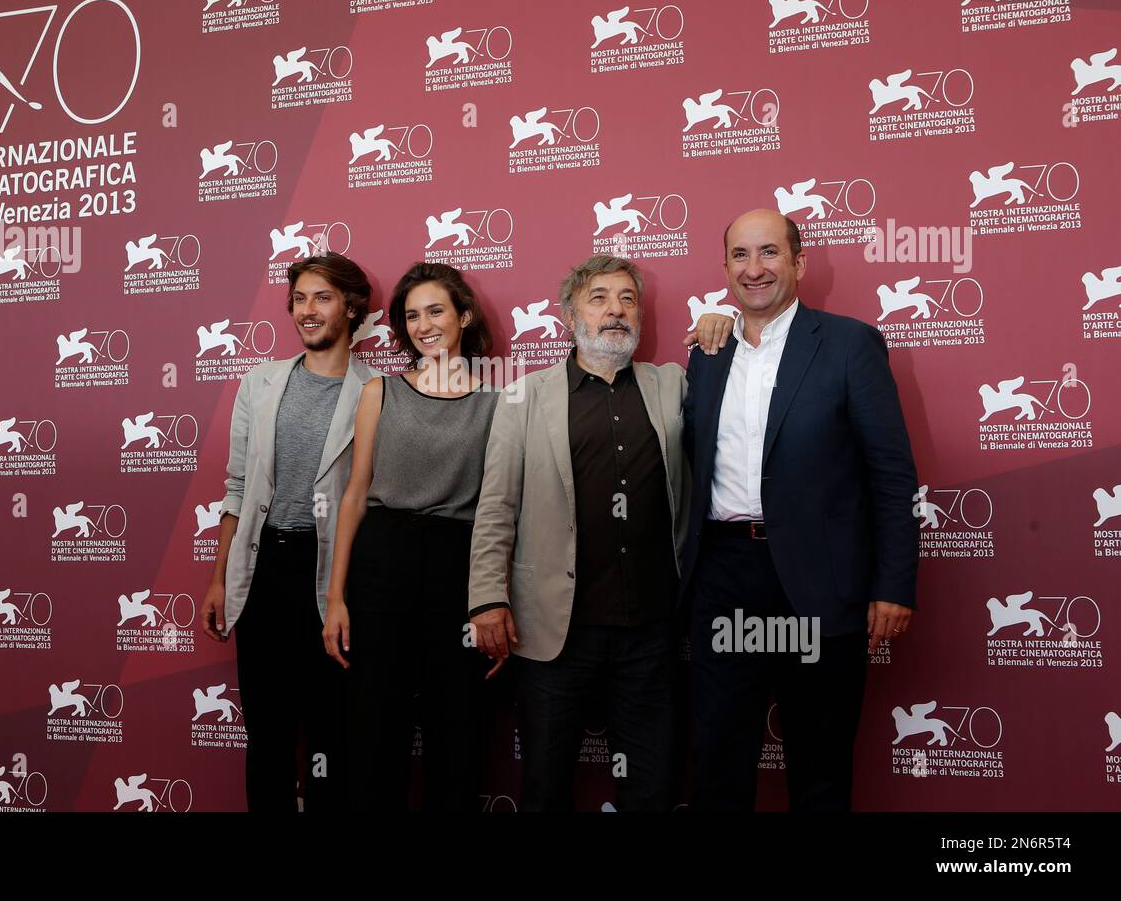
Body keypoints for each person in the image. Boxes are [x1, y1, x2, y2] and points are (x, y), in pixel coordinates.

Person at [468, 254, 733, 811]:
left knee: (651, 788)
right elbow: (496, 507)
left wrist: (723, 328)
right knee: (545, 787)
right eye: (599, 298)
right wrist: (488, 598)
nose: (616, 310)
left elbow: (742, 397)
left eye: (627, 299)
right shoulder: (524, 397)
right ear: (570, 316)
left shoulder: (673, 384)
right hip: (553, 630)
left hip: (650, 631)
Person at [681, 209, 919, 811]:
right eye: (740, 255)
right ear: (725, 268)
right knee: (717, 763)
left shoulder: (849, 344)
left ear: (799, 262)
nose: (754, 269)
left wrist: (893, 584)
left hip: (820, 580)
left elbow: (891, 476)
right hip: (725, 578)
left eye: (769, 252)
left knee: (820, 768)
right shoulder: (708, 352)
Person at [199, 252, 382, 813]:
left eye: (322, 297)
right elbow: (236, 486)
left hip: (335, 578)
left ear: (351, 308)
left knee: (332, 730)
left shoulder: (377, 392)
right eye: (299, 299)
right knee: (267, 732)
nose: (308, 310)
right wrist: (219, 577)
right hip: (263, 571)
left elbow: (370, 497)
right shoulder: (259, 383)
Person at [323, 262, 499, 811]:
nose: (424, 325)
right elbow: (355, 494)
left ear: (464, 317)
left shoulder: (499, 401)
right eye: (412, 315)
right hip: (382, 563)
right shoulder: (379, 392)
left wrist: (497, 600)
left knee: (457, 726)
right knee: (375, 725)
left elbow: (502, 511)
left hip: (458, 566)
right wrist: (335, 596)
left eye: (436, 311)